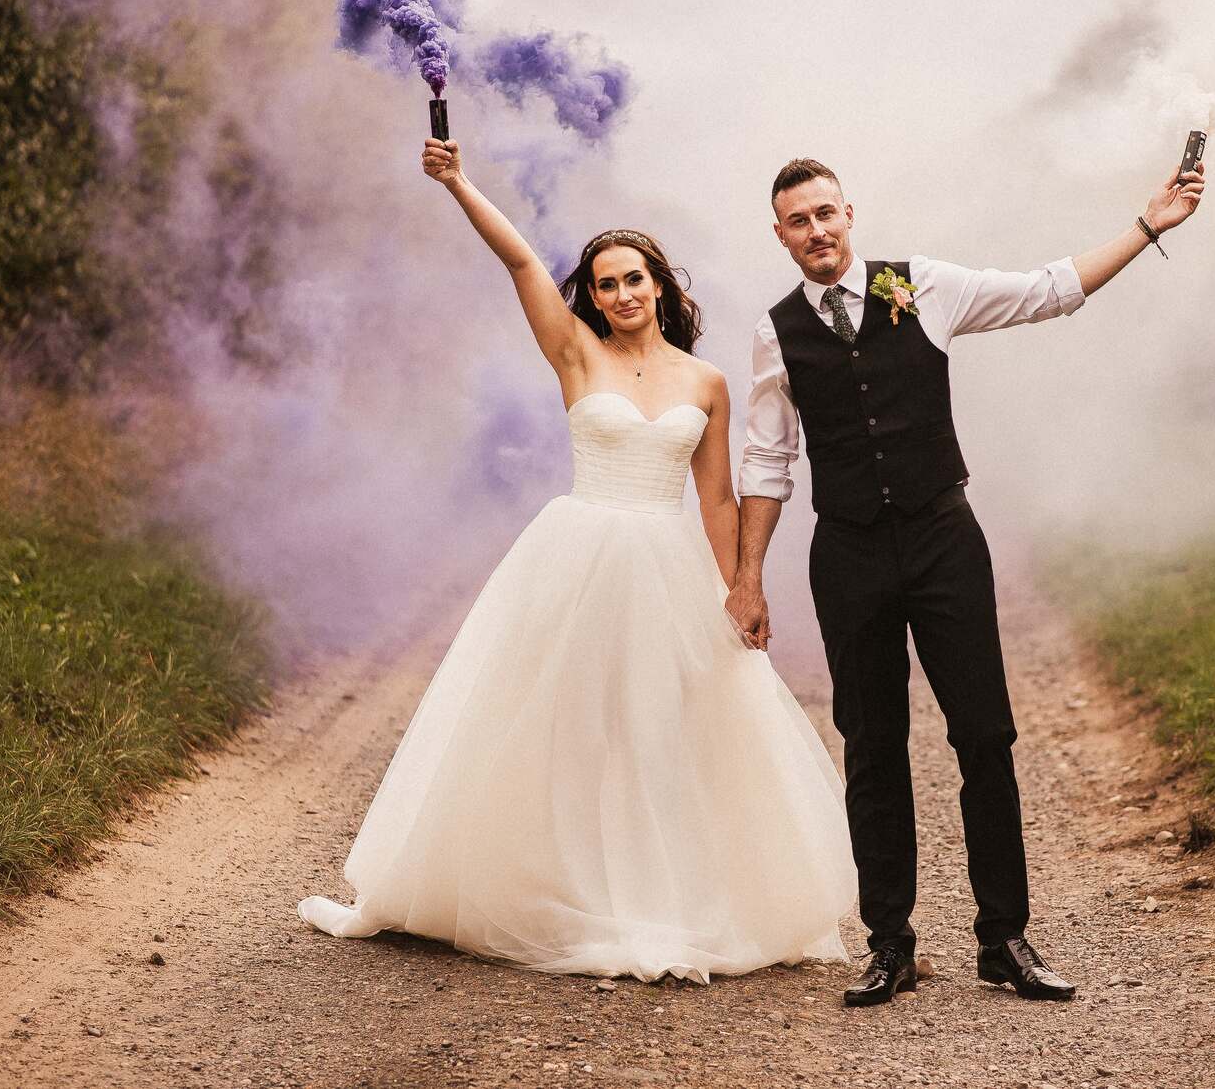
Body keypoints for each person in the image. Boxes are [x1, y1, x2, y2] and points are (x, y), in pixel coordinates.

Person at [296, 138, 857, 983]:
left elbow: (715, 500)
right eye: (606, 283)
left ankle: (662, 898)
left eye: (636, 278)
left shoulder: (705, 382)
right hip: (578, 551)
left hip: (665, 565)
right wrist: (456, 183)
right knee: (561, 725)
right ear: (590, 299)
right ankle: (551, 886)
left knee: (664, 729)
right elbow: (520, 257)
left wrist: (742, 585)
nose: (623, 293)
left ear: (661, 286)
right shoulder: (575, 354)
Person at [726, 154, 1206, 1006]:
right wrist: (747, 578)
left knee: (984, 735)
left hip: (945, 538)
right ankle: (890, 944)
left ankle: (1005, 939)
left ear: (849, 213)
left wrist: (1145, 227)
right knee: (872, 749)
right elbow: (767, 464)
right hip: (849, 553)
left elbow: (1046, 290)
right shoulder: (774, 334)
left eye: (827, 214)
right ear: (781, 236)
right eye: (799, 222)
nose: (818, 232)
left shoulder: (926, 286)